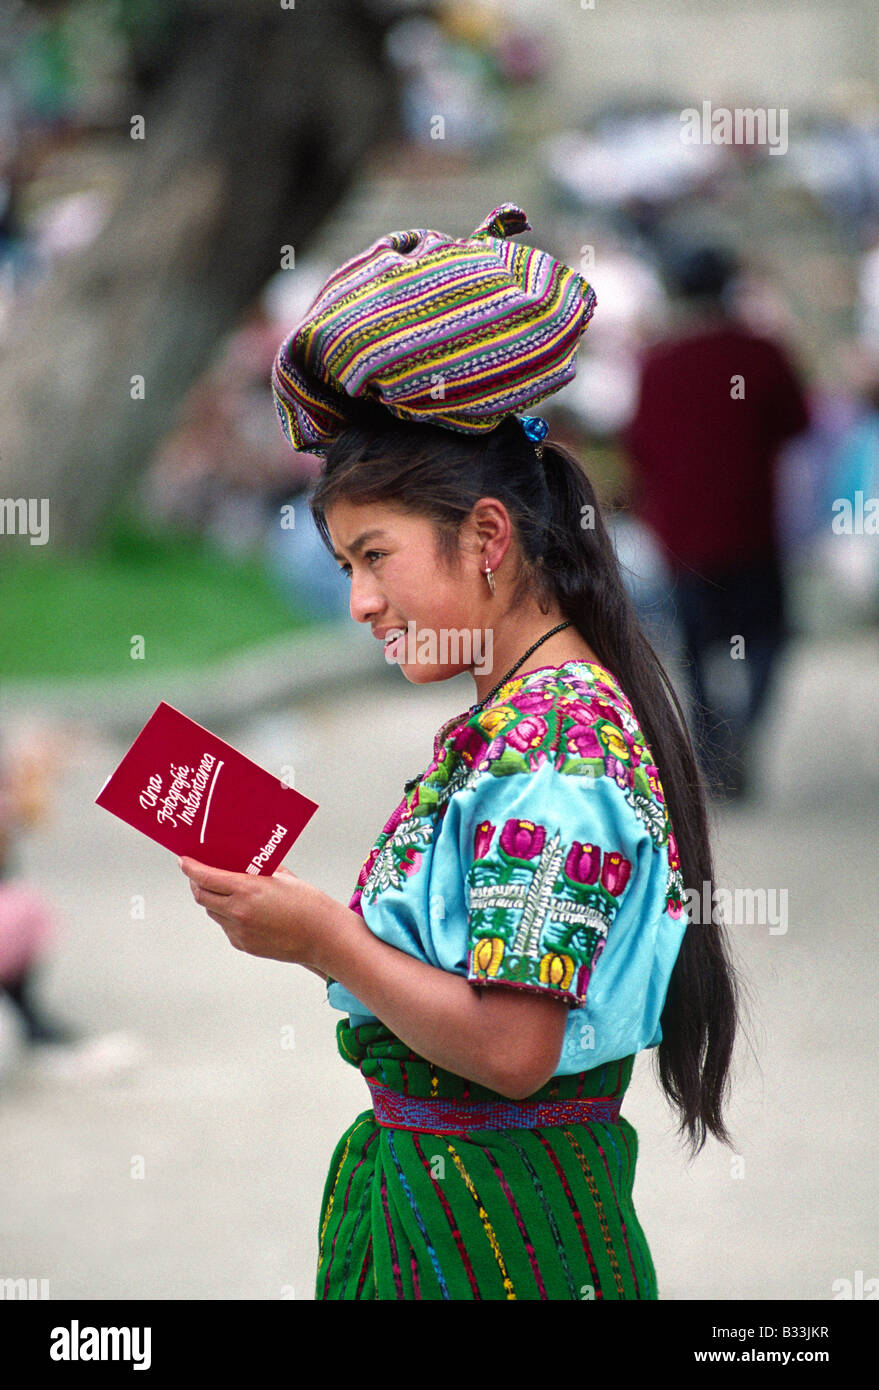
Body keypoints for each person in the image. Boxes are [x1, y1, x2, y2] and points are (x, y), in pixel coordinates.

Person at [178, 204, 741, 1300]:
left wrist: (323, 939)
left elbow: (514, 1048)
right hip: (457, 1212)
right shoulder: (522, 723)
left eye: (376, 556)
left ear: (487, 537)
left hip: (499, 1245)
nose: (361, 602)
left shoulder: (554, 758)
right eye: (347, 564)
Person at [622, 244, 811, 801]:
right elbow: (797, 422)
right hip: (752, 526)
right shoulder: (761, 352)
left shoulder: (659, 362)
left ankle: (715, 752)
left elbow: (640, 447)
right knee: (770, 638)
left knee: (697, 652)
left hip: (684, 537)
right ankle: (745, 729)